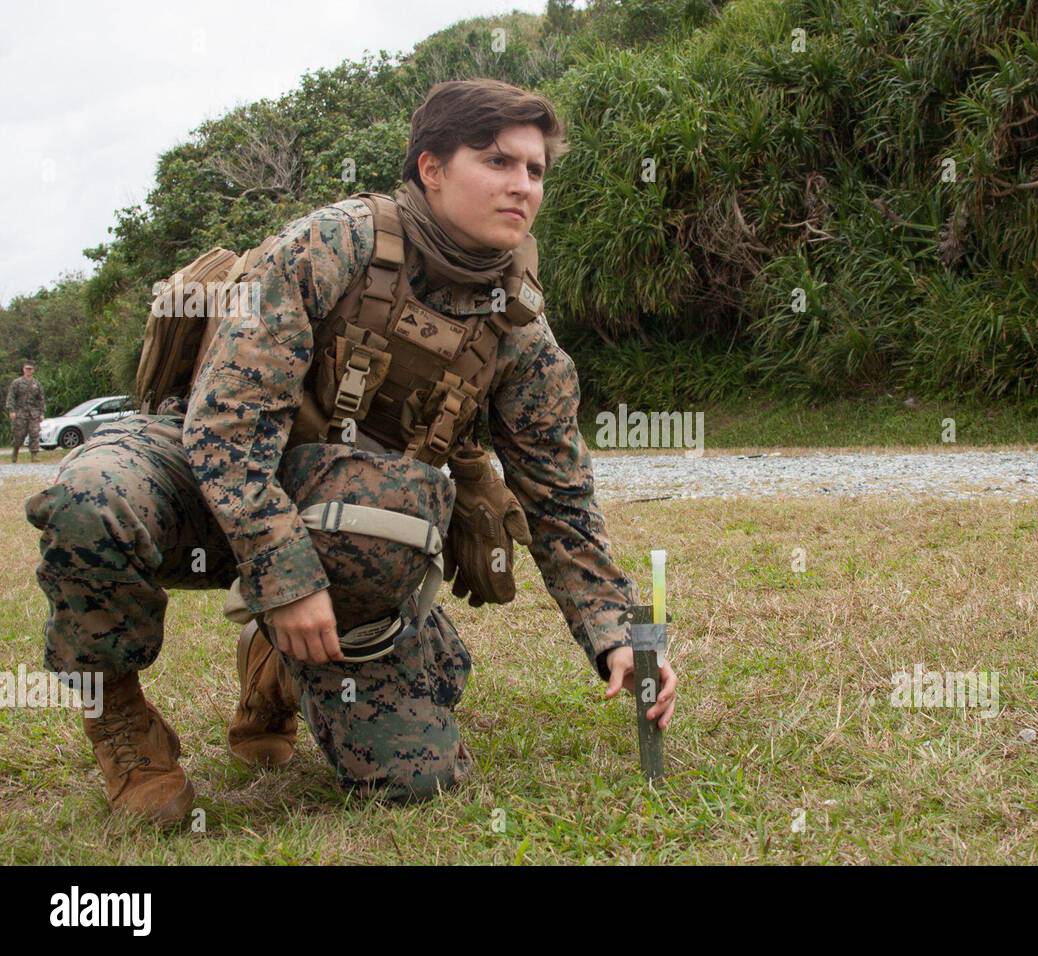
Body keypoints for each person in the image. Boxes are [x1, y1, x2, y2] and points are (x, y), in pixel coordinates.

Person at [24, 78, 678, 825]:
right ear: (431, 168)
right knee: (90, 496)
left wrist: (615, 633)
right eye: (497, 162)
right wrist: (286, 577)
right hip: (200, 471)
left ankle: (279, 667)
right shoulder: (335, 244)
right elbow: (227, 431)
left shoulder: (520, 334)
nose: (522, 186)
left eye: (535, 171)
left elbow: (559, 501)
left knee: (415, 777)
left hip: (338, 515)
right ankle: (122, 723)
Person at [6, 361, 45, 462]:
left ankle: (34, 455)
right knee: (19, 434)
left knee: (35, 433)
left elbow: (41, 399)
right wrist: (12, 411)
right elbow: (11, 397)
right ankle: (15, 452)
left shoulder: (37, 384)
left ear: (33, 370)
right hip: (20, 413)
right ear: (23, 370)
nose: (28, 371)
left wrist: (41, 413)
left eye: (30, 369)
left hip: (33, 414)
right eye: (27, 369)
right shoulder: (17, 382)